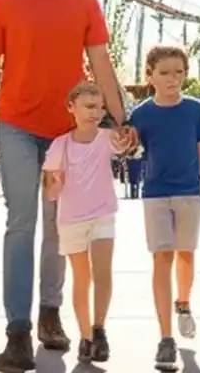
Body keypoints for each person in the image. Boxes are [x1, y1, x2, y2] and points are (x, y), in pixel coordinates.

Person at [0, 0, 128, 373]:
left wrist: (119, 119)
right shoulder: (3, 2)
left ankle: (50, 314)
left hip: (66, 131)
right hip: (15, 123)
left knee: (60, 222)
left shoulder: (84, 1)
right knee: (21, 221)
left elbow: (101, 63)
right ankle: (17, 330)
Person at [127, 45, 200, 372]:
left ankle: (183, 303)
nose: (173, 79)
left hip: (188, 192)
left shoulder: (195, 110)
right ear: (150, 75)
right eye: (165, 72)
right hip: (155, 193)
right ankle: (165, 337)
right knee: (161, 257)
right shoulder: (142, 113)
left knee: (186, 253)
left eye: (179, 72)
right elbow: (127, 143)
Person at [42, 82, 134, 363]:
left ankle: (99, 328)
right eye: (89, 106)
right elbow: (50, 192)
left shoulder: (107, 138)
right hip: (71, 220)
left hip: (102, 213)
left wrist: (128, 135)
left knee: (103, 271)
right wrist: (56, 182)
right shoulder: (61, 145)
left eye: (99, 107)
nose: (95, 112)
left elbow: (125, 146)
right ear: (72, 108)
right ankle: (85, 336)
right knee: (82, 277)